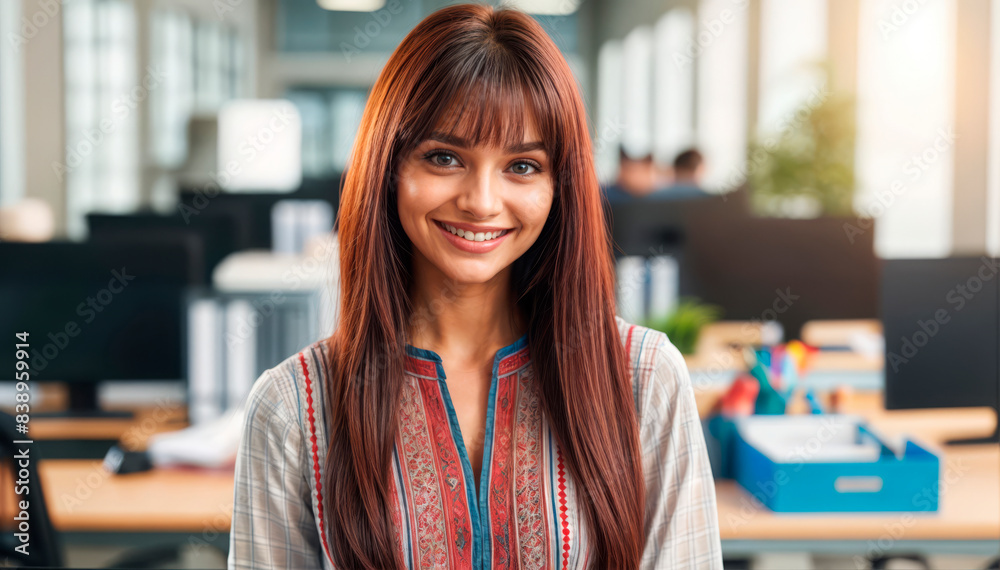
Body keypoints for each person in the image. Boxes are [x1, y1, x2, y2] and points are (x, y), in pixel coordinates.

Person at [229, 4, 722, 569]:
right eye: (444, 158)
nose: (482, 202)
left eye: (523, 166)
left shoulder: (642, 377)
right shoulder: (294, 407)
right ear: (389, 168)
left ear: (560, 186)